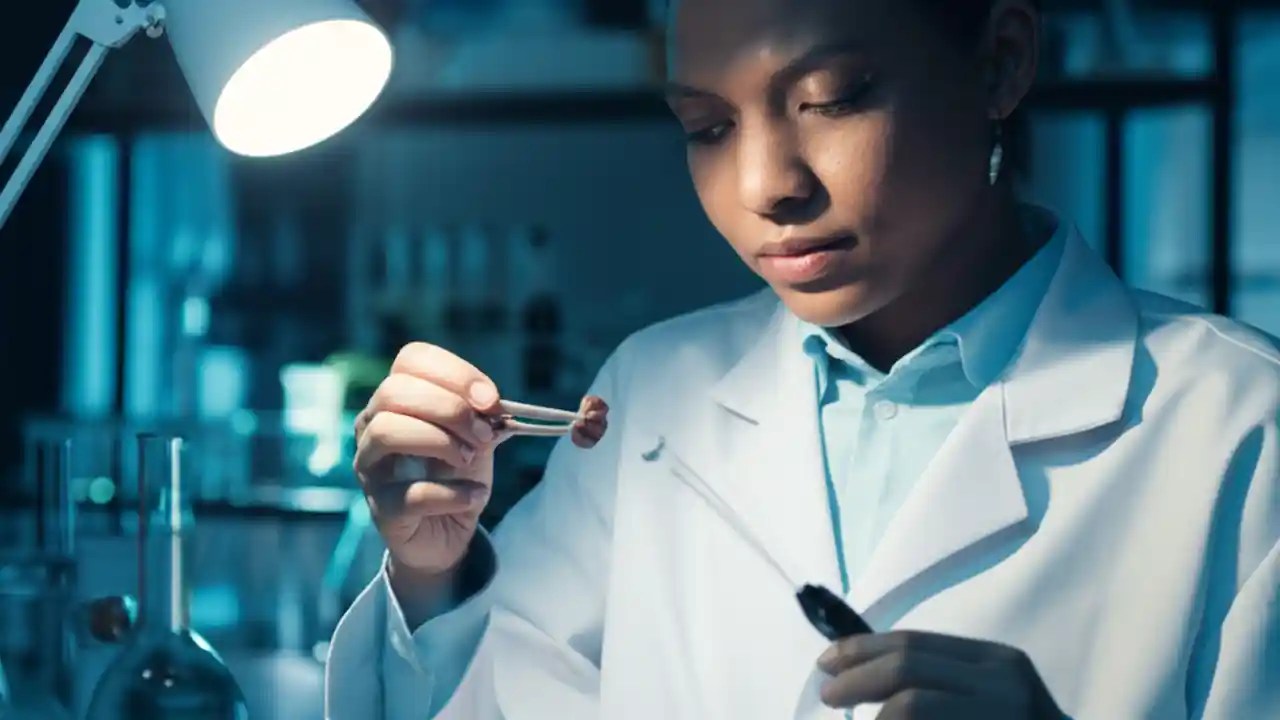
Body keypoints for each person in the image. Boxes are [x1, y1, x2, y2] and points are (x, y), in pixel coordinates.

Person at [325, 0, 1280, 717]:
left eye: (832, 100)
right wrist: (433, 572)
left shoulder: (1239, 423)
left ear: (1000, 62)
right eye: (708, 127)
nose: (766, 186)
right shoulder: (652, 394)